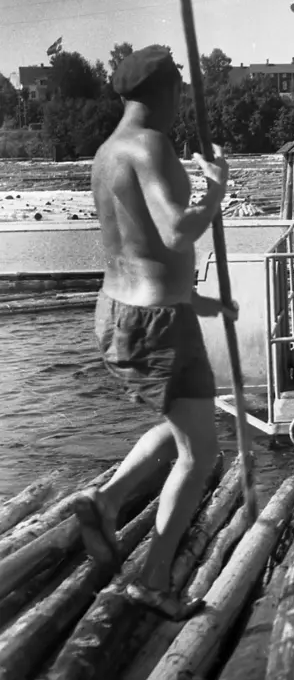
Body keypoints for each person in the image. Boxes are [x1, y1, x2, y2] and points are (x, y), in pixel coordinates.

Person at [74, 44, 236, 621]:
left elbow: (135, 245)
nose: (181, 102)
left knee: (185, 423)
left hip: (120, 312)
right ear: (167, 92)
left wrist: (199, 298)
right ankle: (153, 578)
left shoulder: (106, 152)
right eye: (180, 91)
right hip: (157, 324)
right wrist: (216, 188)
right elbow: (174, 232)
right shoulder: (152, 145)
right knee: (203, 450)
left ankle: (107, 499)